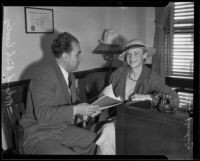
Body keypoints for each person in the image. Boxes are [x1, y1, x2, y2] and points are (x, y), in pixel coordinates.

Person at [20, 32, 102, 155]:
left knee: (100, 143)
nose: (80, 59)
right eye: (77, 55)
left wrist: (87, 110)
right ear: (65, 56)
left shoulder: (70, 76)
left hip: (62, 130)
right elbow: (43, 114)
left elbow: (73, 103)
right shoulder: (44, 74)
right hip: (40, 135)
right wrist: (76, 110)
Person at [109, 39, 180, 106]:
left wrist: (149, 97)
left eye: (136, 53)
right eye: (128, 53)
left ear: (144, 55)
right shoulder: (117, 74)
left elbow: (175, 98)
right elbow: (107, 96)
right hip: (115, 117)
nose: (131, 57)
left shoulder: (152, 77)